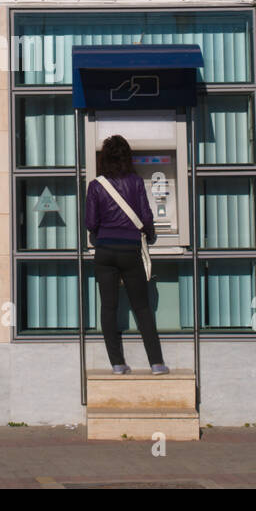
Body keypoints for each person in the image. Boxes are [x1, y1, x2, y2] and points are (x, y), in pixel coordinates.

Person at [84, 134, 169, 375]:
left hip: (105, 252)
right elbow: (146, 217)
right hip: (130, 251)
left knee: (108, 308)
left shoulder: (95, 186)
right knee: (142, 307)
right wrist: (149, 234)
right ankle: (156, 363)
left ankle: (117, 364)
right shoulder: (135, 182)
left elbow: (90, 223)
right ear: (127, 158)